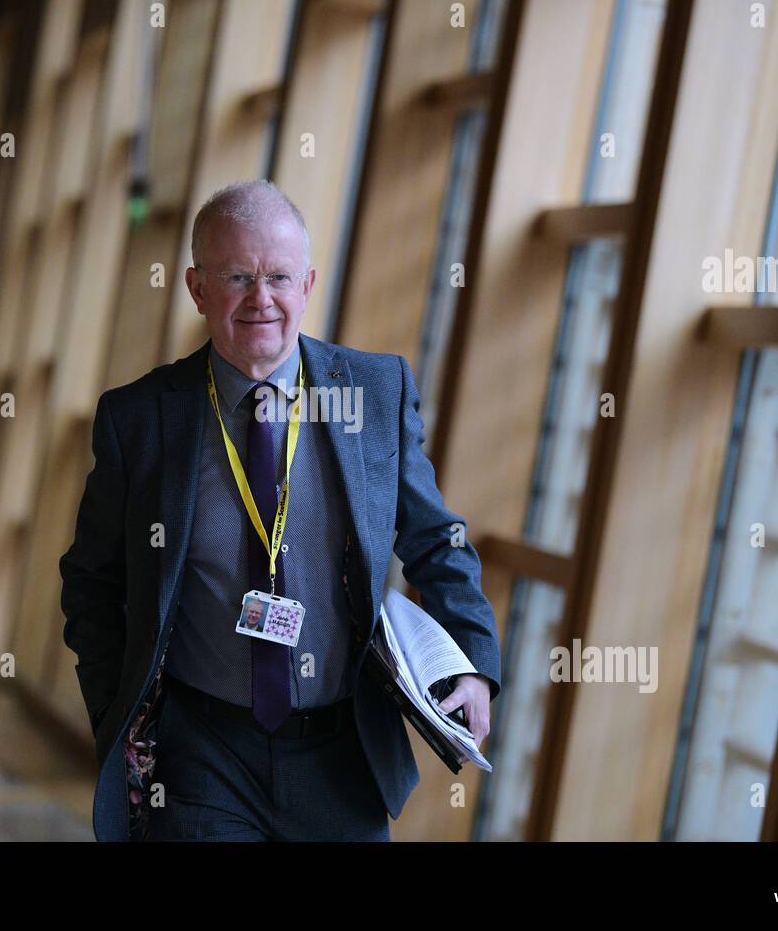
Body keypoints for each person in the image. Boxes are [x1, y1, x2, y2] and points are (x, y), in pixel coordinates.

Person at [59, 179, 501, 841]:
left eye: (278, 278)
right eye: (237, 277)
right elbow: (93, 581)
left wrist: (472, 658)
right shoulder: (141, 419)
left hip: (341, 754)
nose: (260, 299)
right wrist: (115, 711)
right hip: (204, 755)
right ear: (197, 288)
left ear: (308, 284)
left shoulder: (375, 394)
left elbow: (437, 541)